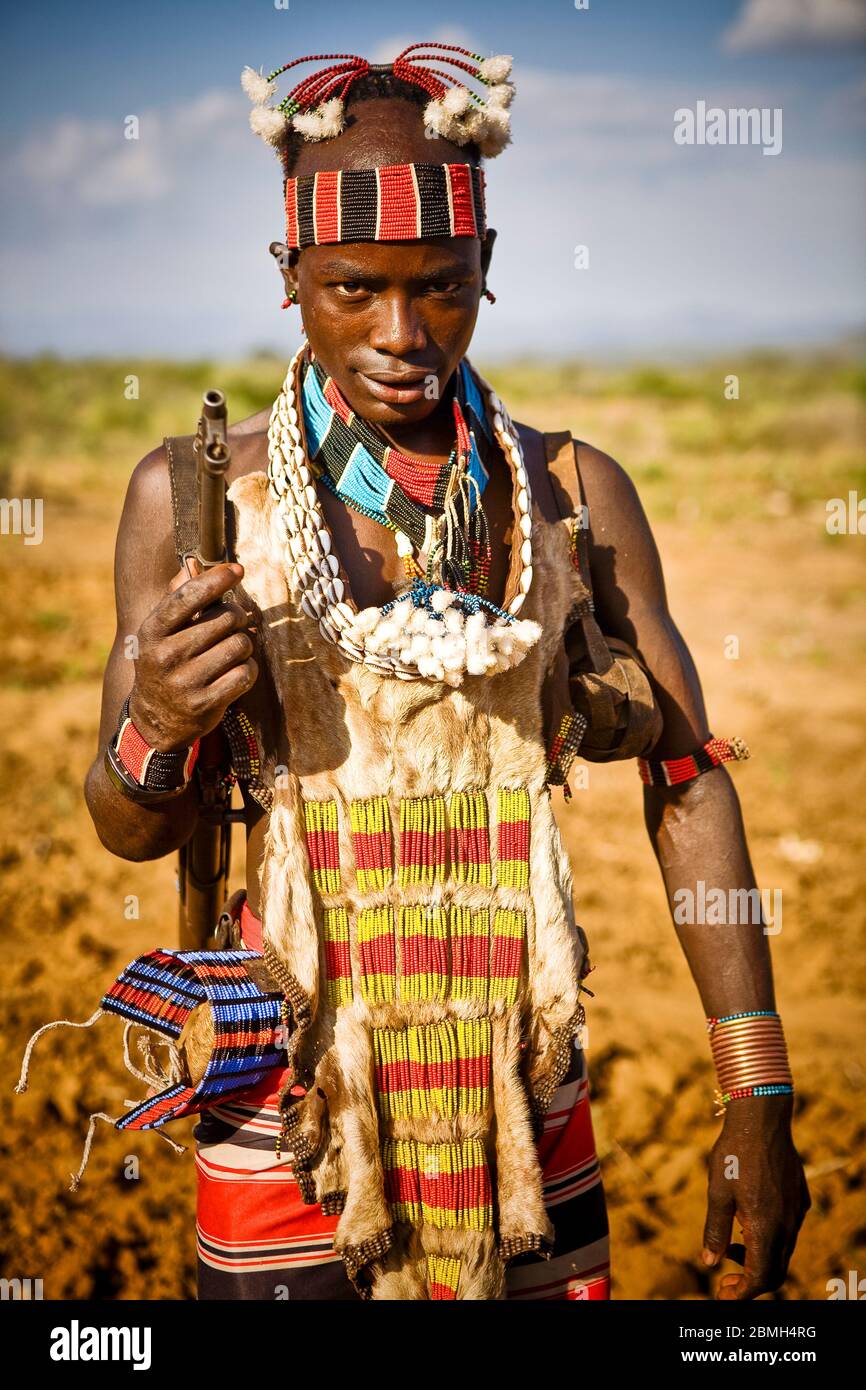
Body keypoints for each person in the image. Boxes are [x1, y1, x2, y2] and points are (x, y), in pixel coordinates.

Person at [80, 44, 809, 1301]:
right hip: (294, 1092)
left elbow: (687, 778)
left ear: (488, 269)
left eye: (443, 288)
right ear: (288, 273)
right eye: (353, 287)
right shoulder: (198, 499)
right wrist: (154, 727)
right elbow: (128, 828)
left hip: (520, 1093)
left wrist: (754, 1088)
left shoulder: (570, 497)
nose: (401, 335)